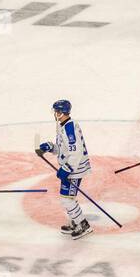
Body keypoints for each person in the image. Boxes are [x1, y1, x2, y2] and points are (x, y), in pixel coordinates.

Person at [37, 100, 92, 240]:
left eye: (56, 111)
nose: (54, 114)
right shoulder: (63, 126)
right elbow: (64, 149)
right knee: (68, 198)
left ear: (60, 113)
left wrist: (67, 169)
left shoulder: (69, 128)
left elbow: (76, 152)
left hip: (75, 169)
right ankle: (75, 222)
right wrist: (51, 147)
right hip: (72, 167)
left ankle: (83, 224)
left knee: (66, 199)